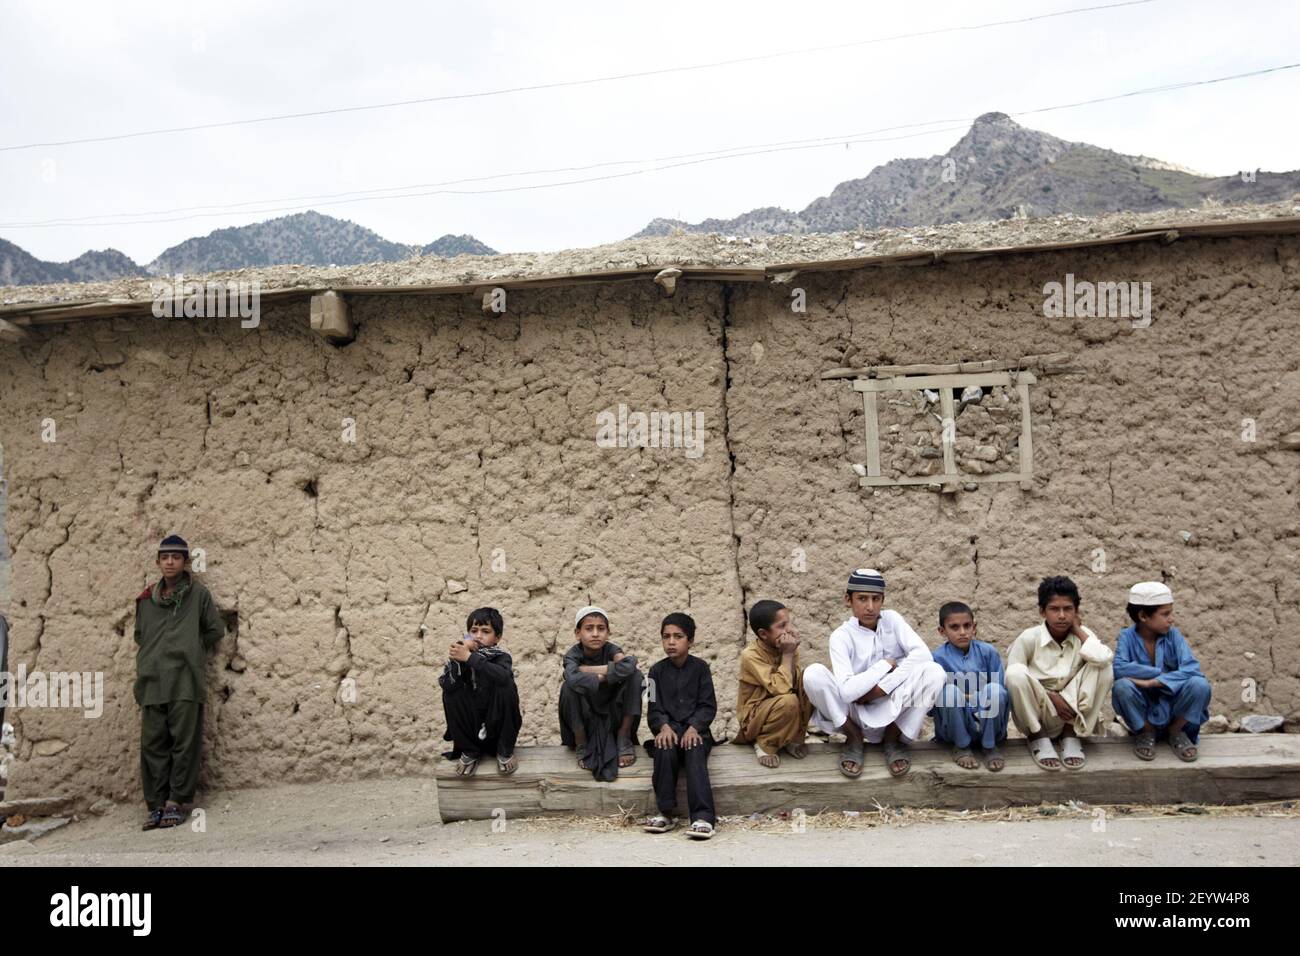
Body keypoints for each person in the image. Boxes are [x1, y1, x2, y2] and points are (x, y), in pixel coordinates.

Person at [803, 568, 945, 778]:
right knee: (813, 674)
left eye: (875, 599)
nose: (870, 607)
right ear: (848, 600)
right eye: (862, 599)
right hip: (854, 713)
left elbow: (923, 655)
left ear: (882, 600)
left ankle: (892, 739)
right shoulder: (841, 636)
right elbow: (848, 693)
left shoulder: (893, 620)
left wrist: (880, 689)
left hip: (894, 710)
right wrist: (885, 665)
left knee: (934, 672)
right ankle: (853, 738)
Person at [134, 535, 225, 830]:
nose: (170, 562)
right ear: (158, 562)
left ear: (186, 562)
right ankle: (156, 803)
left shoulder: (198, 595)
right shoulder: (146, 600)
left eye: (176, 557)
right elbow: (140, 635)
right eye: (165, 557)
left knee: (184, 743)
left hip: (186, 680)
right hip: (152, 681)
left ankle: (177, 801)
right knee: (152, 745)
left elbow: (214, 630)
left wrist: (191, 648)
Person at [1006, 576, 1113, 771]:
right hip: (1039, 710)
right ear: (1042, 611)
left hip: (1072, 713)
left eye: (1068, 609)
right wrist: (1052, 697)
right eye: (1054, 609)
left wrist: (1078, 630)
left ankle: (1069, 734)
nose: (1062, 616)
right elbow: (1013, 678)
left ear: (1076, 611)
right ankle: (1037, 737)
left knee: (1103, 667)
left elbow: (1104, 657)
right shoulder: (1029, 638)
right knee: (1015, 673)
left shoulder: (1083, 635)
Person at [1112, 581, 1212, 762]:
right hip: (1145, 704)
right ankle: (1146, 731)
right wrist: (1159, 672)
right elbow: (1119, 668)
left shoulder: (1174, 635)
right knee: (1122, 687)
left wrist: (1156, 681)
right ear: (1143, 616)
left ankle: (1176, 731)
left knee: (1200, 685)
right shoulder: (1127, 636)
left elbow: (1191, 668)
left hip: (1173, 704)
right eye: (1165, 614)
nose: (1171, 619)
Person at [642, 613, 717, 839]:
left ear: (690, 641)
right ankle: (665, 813)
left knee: (694, 748)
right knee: (663, 749)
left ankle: (703, 817)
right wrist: (663, 727)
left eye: (678, 636)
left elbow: (708, 706)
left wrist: (695, 727)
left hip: (696, 732)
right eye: (666, 637)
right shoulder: (654, 672)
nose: (671, 642)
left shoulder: (701, 668)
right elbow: (653, 707)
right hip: (670, 732)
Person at [558, 605, 643, 781]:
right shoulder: (572, 655)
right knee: (568, 688)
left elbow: (628, 666)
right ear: (577, 633)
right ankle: (581, 743)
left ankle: (623, 736)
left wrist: (594, 672)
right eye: (589, 629)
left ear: (608, 632)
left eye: (601, 628)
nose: (595, 634)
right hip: (586, 715)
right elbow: (572, 678)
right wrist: (611, 672)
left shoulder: (612, 650)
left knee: (637, 677)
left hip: (613, 714)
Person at [439, 607, 523, 776]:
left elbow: (503, 676)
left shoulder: (501, 657)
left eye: (485, 631)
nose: (478, 636)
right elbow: (447, 685)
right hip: (472, 727)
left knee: (506, 685)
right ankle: (470, 751)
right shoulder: (461, 658)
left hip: (496, 728)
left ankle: (505, 750)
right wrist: (458, 661)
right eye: (473, 631)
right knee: (451, 690)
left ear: (497, 638)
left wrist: (471, 658)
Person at [732, 599, 812, 768]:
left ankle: (793, 737)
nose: (789, 630)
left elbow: (794, 682)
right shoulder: (751, 655)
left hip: (781, 705)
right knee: (788, 701)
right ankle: (765, 743)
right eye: (782, 626)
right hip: (756, 716)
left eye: (788, 623)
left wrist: (790, 653)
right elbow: (781, 689)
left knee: (811, 681)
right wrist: (788, 655)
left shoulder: (786, 646)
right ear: (763, 634)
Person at [930, 601, 1008, 772]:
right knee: (948, 693)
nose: (963, 632)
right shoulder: (936, 658)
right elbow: (932, 704)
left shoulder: (988, 652)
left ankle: (989, 746)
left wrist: (969, 697)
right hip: (953, 727)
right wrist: (967, 698)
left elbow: (999, 691)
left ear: (975, 627)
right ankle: (961, 746)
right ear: (942, 631)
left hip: (987, 720)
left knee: (995, 691)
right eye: (954, 627)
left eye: (967, 626)